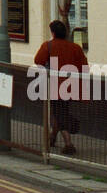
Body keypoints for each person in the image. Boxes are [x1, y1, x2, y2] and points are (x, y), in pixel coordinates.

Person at [35, 19, 88, 155]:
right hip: (72, 85)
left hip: (55, 85)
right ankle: (52, 138)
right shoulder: (75, 47)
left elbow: (38, 60)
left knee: (59, 114)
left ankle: (68, 143)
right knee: (61, 111)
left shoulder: (48, 46)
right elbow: (84, 66)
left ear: (53, 33)